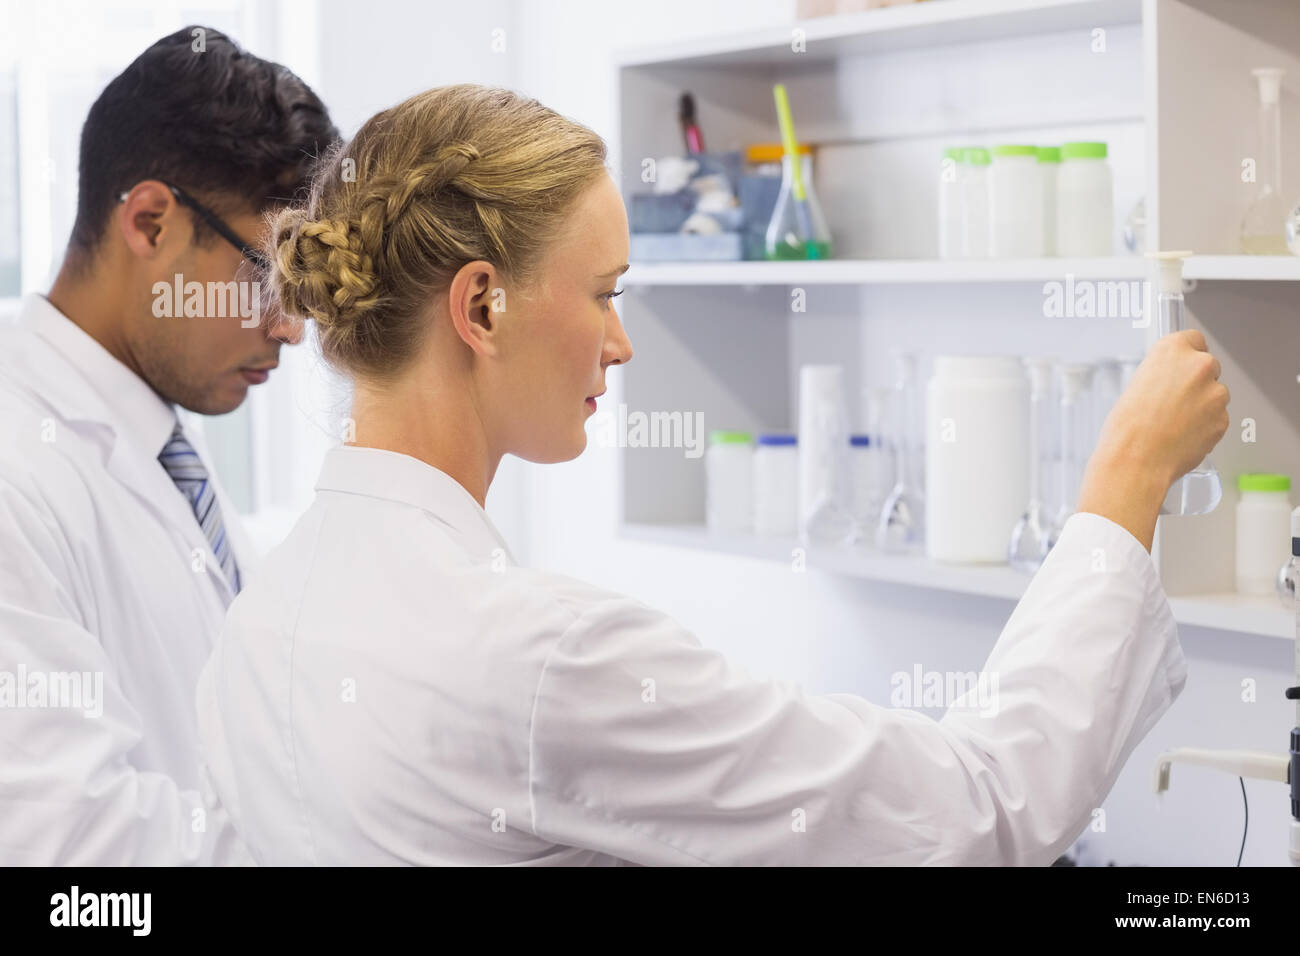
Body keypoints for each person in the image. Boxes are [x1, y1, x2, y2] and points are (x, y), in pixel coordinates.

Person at [196, 84, 1229, 866]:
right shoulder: (538, 654)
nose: (621, 343)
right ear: (481, 309)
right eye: (602, 293)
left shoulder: (260, 619)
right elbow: (983, 807)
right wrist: (1124, 481)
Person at [0, 27, 338, 864]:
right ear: (150, 222)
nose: (290, 328)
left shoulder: (156, 444)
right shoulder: (16, 468)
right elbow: (66, 850)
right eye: (266, 277)